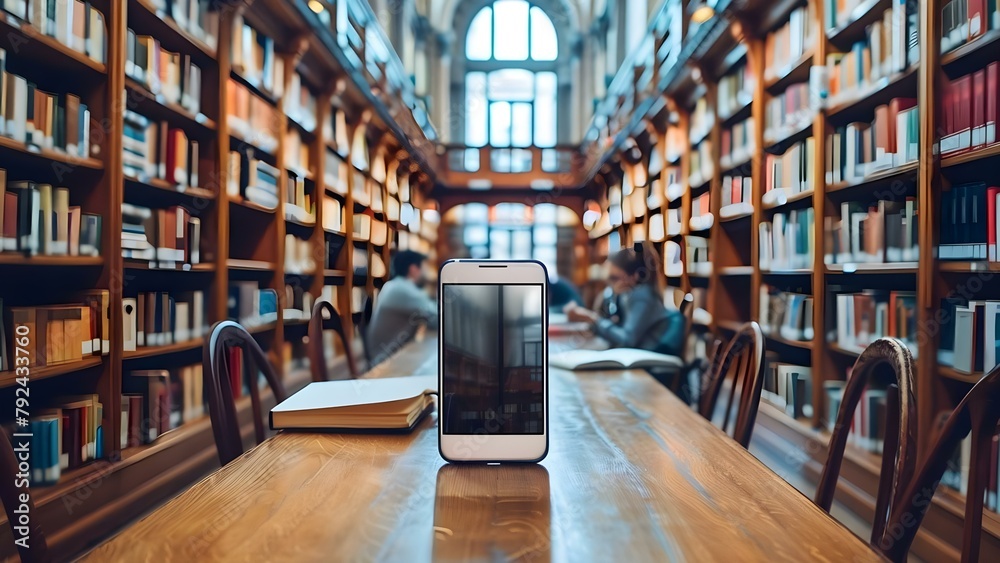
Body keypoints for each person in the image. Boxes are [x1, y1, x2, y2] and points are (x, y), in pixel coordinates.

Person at [564, 241, 684, 356]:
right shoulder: (626, 295)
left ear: (635, 276)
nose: (611, 285)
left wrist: (593, 319)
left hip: (648, 363)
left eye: (615, 278)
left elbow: (627, 340)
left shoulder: (641, 296)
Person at [366, 250, 438, 365]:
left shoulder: (394, 285)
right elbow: (438, 319)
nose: (428, 271)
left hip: (387, 355)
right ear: (413, 269)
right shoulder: (402, 290)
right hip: (386, 362)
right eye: (425, 267)